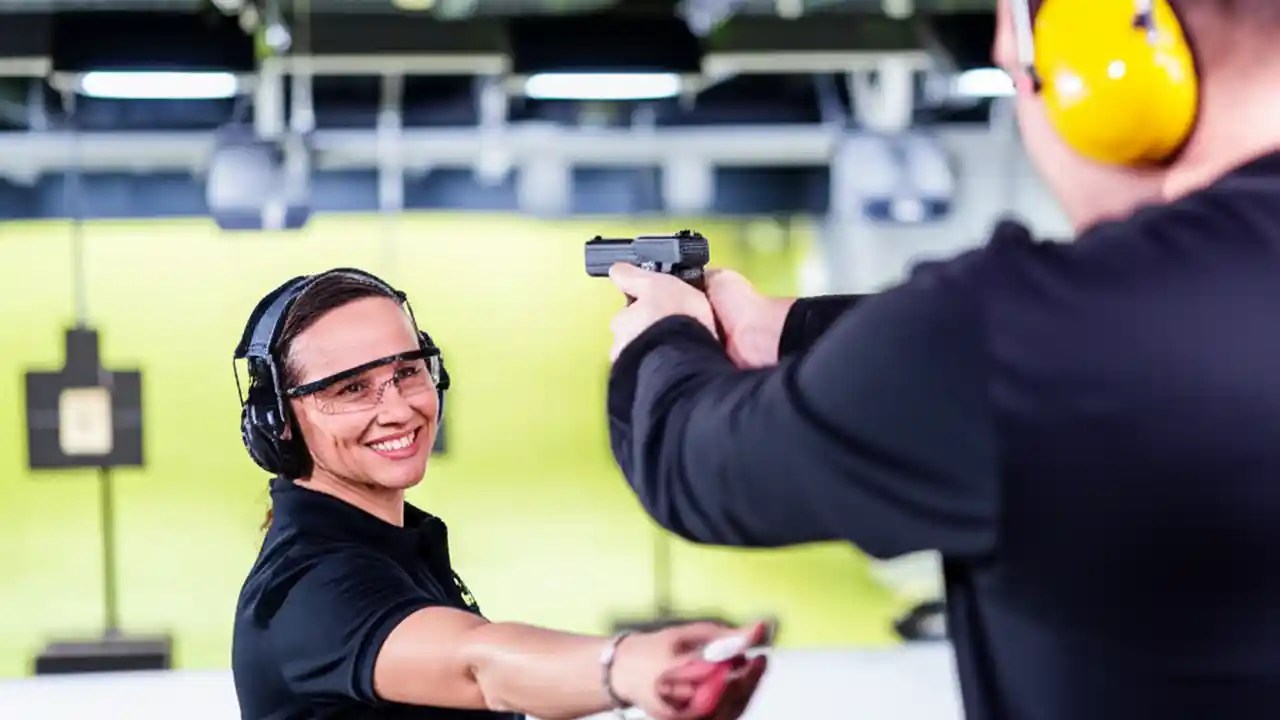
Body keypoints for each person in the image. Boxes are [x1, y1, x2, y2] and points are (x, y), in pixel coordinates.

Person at [603, 1, 1280, 719]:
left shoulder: (1013, 335)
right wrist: (794, 332)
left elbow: (703, 463)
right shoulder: (1036, 337)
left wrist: (663, 338)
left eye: (1022, 74)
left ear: (1104, 66)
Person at [229, 268, 767, 720]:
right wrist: (622, 666)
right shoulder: (309, 590)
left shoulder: (390, 549)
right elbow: (480, 665)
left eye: (407, 372)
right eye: (351, 388)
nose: (397, 408)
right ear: (278, 422)